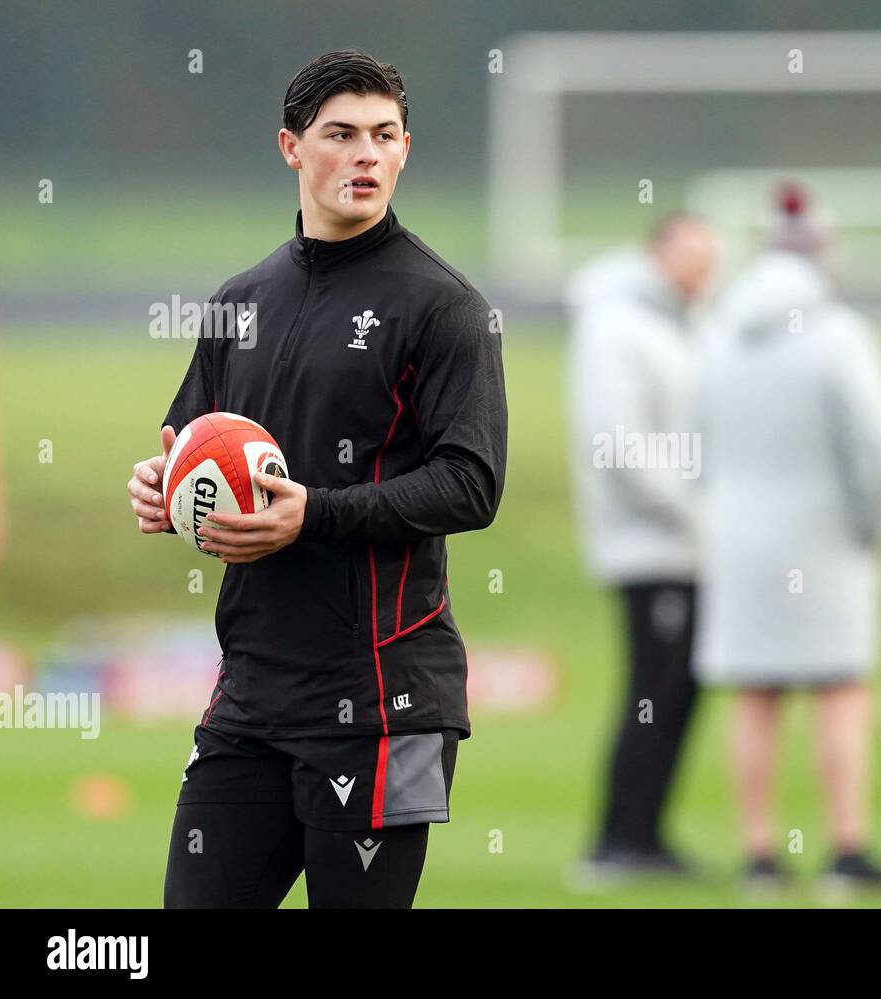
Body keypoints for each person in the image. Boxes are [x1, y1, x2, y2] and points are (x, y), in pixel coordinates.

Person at [125, 50, 507, 908]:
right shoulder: (239, 301)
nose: (365, 155)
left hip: (386, 699)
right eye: (341, 135)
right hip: (250, 695)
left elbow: (471, 484)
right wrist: (158, 487)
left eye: (383, 136)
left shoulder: (444, 307)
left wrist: (316, 515)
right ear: (292, 147)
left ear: (406, 149)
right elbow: (195, 450)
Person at [693, 183, 881, 894]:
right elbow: (878, 449)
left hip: (737, 535)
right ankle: (846, 847)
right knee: (840, 688)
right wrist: (875, 528)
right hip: (825, 537)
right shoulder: (839, 334)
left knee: (754, 694)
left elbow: (694, 445)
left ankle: (759, 852)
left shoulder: (718, 334)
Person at [565, 214, 718, 883]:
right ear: (656, 253)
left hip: (687, 546)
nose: (703, 271)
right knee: (653, 690)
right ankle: (616, 840)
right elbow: (619, 443)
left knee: (680, 688)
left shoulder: (683, 324)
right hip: (648, 546)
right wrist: (700, 513)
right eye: (691, 256)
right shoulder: (617, 325)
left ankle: (646, 835)